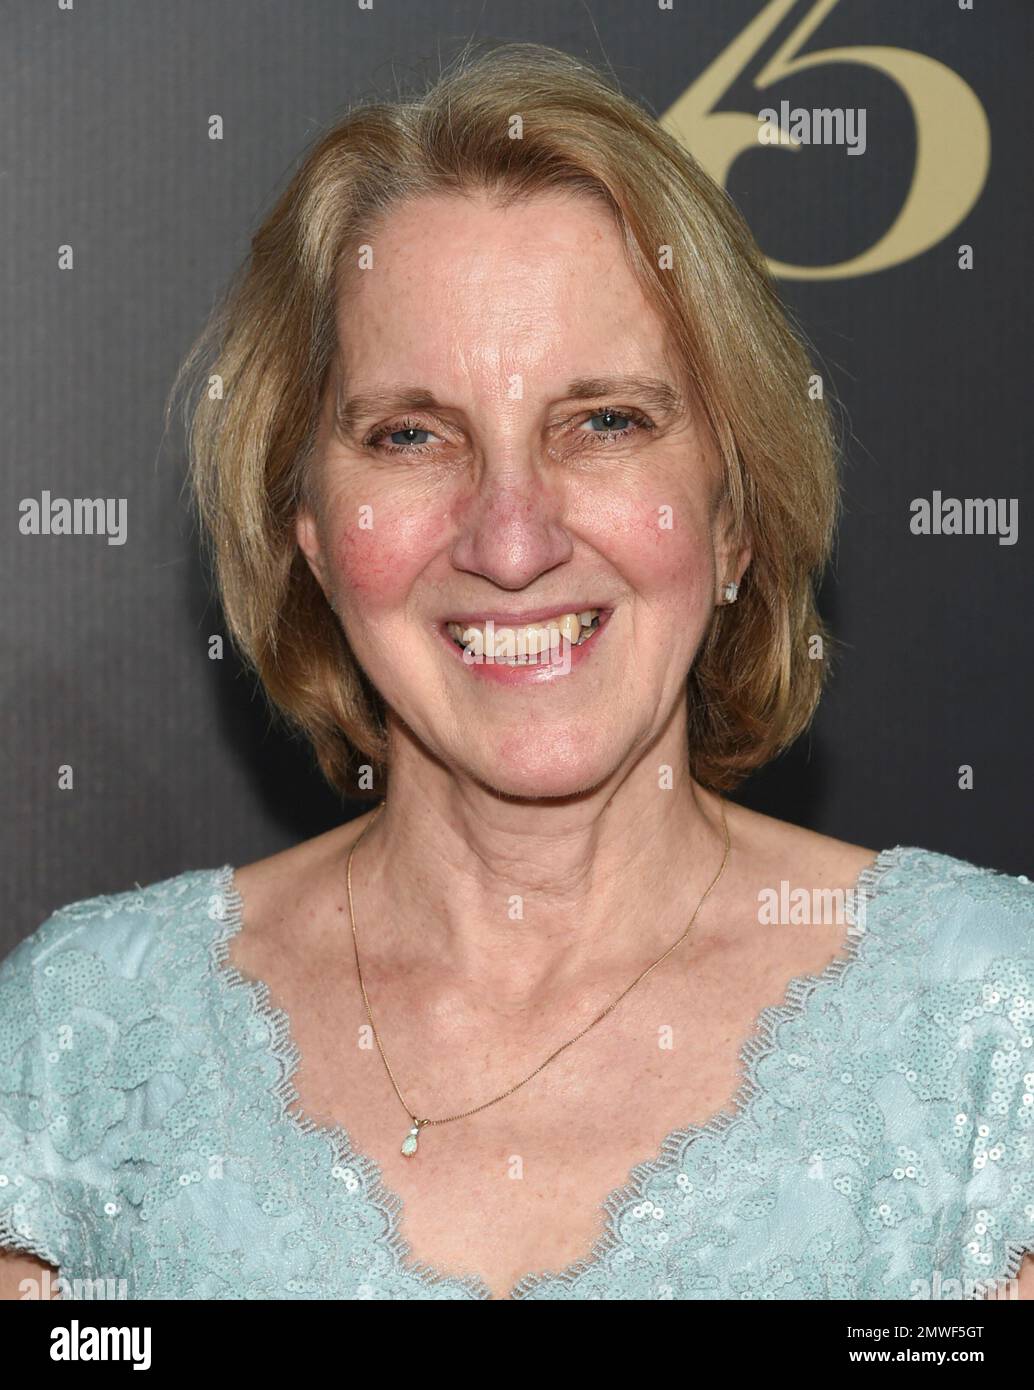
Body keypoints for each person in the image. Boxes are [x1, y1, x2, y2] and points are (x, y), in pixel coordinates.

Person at [2, 43, 1031, 1302]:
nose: (510, 537)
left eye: (602, 421)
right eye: (411, 436)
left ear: (731, 516)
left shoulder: (991, 1025)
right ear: (310, 537)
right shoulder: (82, 1041)